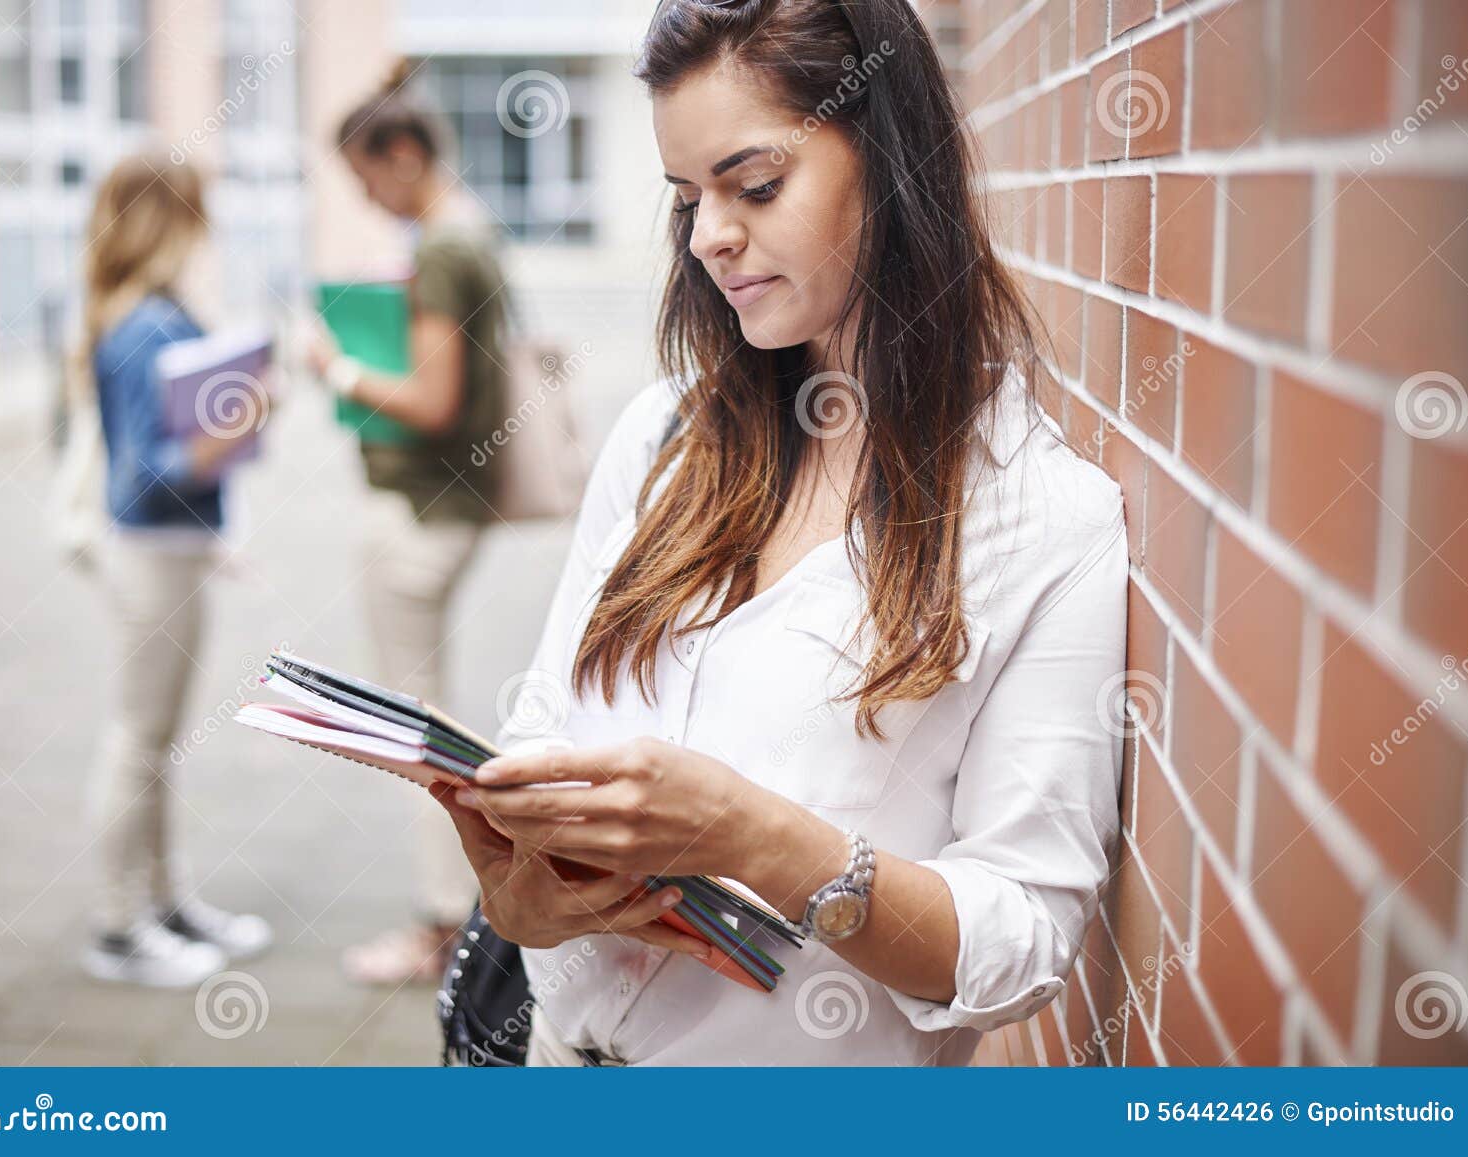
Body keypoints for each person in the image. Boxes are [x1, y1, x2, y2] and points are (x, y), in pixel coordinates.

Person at [428, 0, 1129, 1066]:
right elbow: (544, 715)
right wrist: (527, 888)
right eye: (685, 198)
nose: (709, 233)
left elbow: (1024, 941)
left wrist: (755, 835)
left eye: (753, 185)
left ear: (889, 159)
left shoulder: (1041, 520)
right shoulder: (664, 434)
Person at [307, 64, 510, 985]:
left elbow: (432, 400)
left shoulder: (439, 250)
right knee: (429, 725)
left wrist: (336, 367)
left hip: (418, 516)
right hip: (450, 512)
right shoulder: (464, 228)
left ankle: (445, 931)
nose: (366, 198)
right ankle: (459, 922)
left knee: (417, 736)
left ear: (402, 155)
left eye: (365, 178)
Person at [77, 155, 272, 988]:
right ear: (170, 221)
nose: (209, 228)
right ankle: (121, 926)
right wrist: (232, 429)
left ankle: (163, 903)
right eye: (197, 211)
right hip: (151, 554)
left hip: (167, 551)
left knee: (152, 740)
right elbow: (142, 472)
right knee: (138, 739)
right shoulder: (146, 324)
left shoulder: (141, 315)